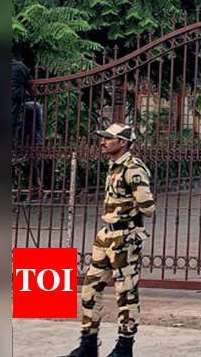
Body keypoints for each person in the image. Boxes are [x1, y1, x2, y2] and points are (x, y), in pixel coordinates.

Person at [64, 123, 155, 357]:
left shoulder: (132, 169)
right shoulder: (114, 167)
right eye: (102, 138)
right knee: (90, 289)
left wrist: (127, 220)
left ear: (123, 142)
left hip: (124, 237)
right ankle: (88, 345)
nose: (103, 142)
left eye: (108, 138)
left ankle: (124, 349)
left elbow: (147, 206)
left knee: (125, 293)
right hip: (106, 235)